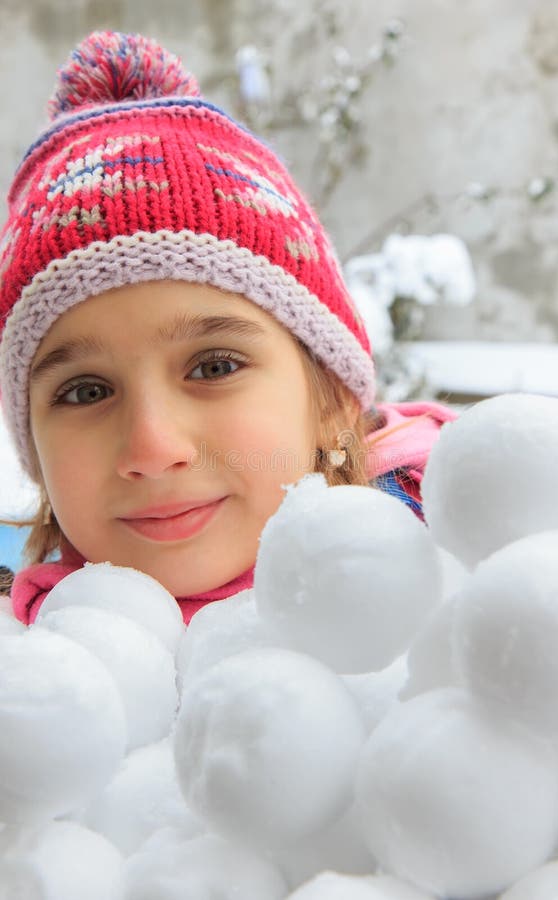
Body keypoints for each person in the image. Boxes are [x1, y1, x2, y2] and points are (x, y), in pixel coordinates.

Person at [0, 31, 456, 626]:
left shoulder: (463, 566)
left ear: (334, 400)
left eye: (214, 366)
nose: (153, 449)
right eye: (87, 390)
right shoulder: (34, 665)